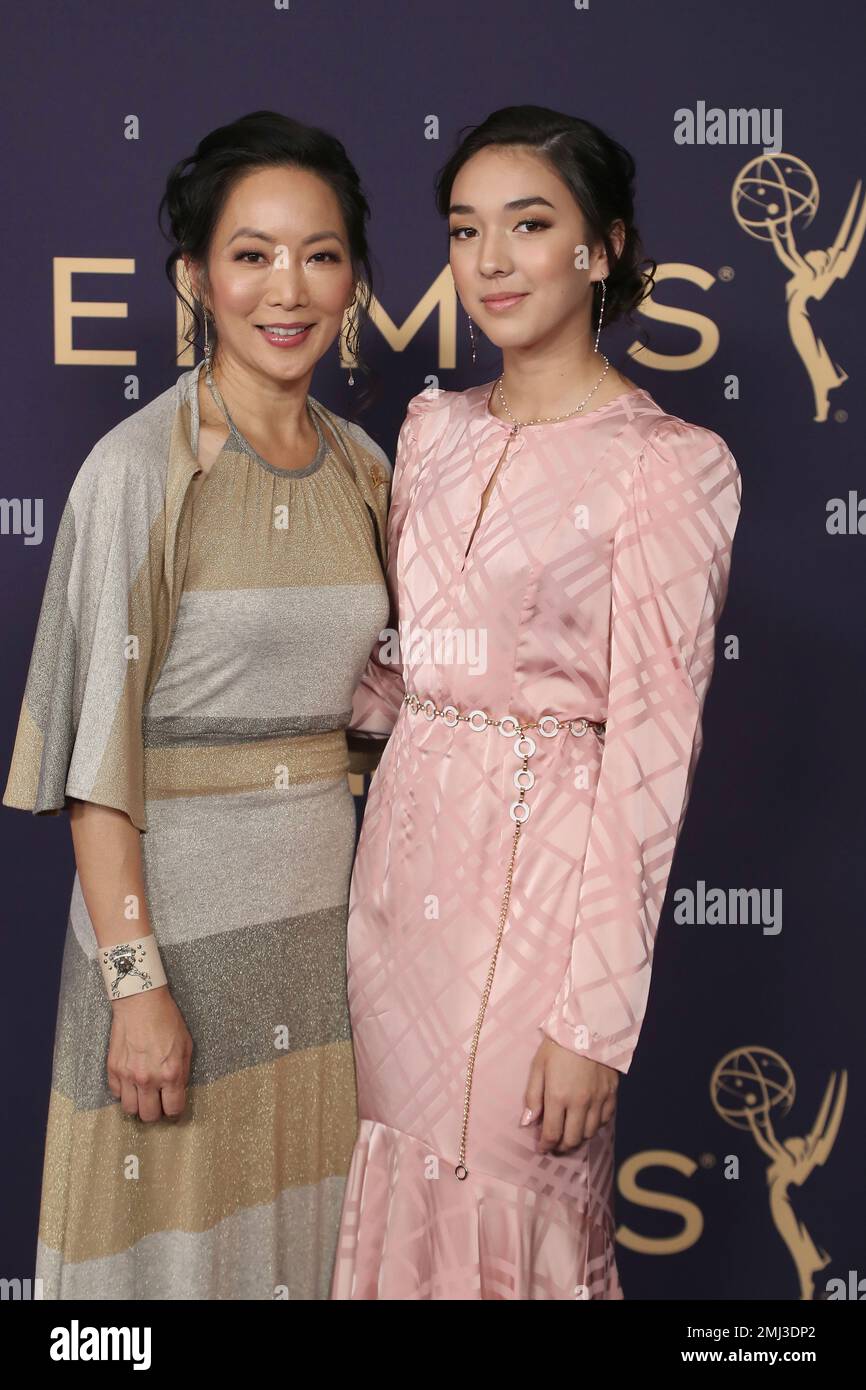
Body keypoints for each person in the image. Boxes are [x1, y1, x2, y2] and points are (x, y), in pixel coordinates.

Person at [331, 105, 743, 1299]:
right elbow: (409, 667)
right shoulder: (430, 432)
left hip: (542, 897)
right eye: (465, 231)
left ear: (601, 248)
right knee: (392, 1173)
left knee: (512, 1192)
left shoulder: (669, 464)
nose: (491, 261)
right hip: (398, 890)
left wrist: (594, 1021)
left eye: (528, 224)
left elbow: (651, 759)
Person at [2, 110, 394, 1300]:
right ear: (194, 276)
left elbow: (381, 713)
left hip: (323, 961)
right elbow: (92, 771)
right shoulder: (139, 469)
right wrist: (138, 990)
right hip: (172, 964)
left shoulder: (369, 464)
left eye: (320, 254)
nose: (288, 287)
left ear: (353, 279)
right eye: (252, 253)